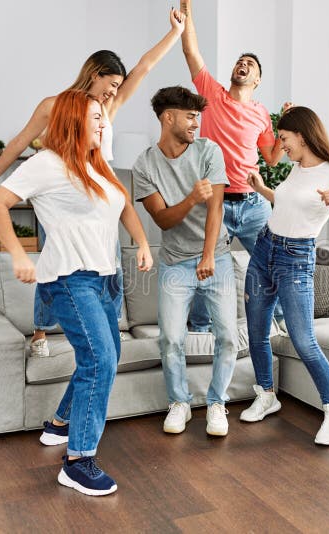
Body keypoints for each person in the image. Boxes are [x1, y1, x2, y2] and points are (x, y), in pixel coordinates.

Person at [0, 8, 185, 357]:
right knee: (55, 267)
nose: (113, 92)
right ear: (96, 74)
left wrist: (175, 34)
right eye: (111, 84)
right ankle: (40, 332)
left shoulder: (109, 107)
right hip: (64, 196)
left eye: (118, 87)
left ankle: (104, 327)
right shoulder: (55, 105)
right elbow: (21, 141)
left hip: (101, 196)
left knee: (110, 267)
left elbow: (144, 66)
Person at [0, 90, 153, 496]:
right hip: (69, 279)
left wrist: (142, 240)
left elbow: (124, 204)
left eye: (103, 118)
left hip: (104, 279)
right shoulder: (47, 164)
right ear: (73, 121)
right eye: (96, 117)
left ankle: (60, 422)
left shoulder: (96, 165)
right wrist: (18, 255)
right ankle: (78, 461)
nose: (102, 124)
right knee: (101, 360)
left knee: (102, 355)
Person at [240, 106, 329, 446]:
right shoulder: (296, 169)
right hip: (264, 249)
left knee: (303, 339)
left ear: (302, 134)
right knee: (256, 332)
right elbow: (286, 208)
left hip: (296, 259)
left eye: (284, 139)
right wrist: (261, 188)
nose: (282, 147)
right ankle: (267, 395)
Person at [132, 86, 239, 437]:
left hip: (217, 257)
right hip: (175, 263)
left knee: (226, 336)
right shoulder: (145, 164)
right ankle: (180, 402)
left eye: (198, 117)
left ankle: (216, 403)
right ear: (168, 117)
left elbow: (217, 207)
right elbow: (161, 219)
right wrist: (192, 197)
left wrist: (209, 255)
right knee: (171, 339)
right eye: (190, 116)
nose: (196, 124)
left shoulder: (209, 151)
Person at [179, 0, 290, 332]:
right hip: (217, 204)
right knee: (206, 267)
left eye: (250, 64)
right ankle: (198, 329)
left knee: (272, 264)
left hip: (254, 206)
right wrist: (187, 6)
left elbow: (271, 159)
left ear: (256, 80)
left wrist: (284, 129)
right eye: (240, 61)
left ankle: (283, 324)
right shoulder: (212, 95)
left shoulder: (260, 113)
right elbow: (191, 51)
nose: (243, 64)